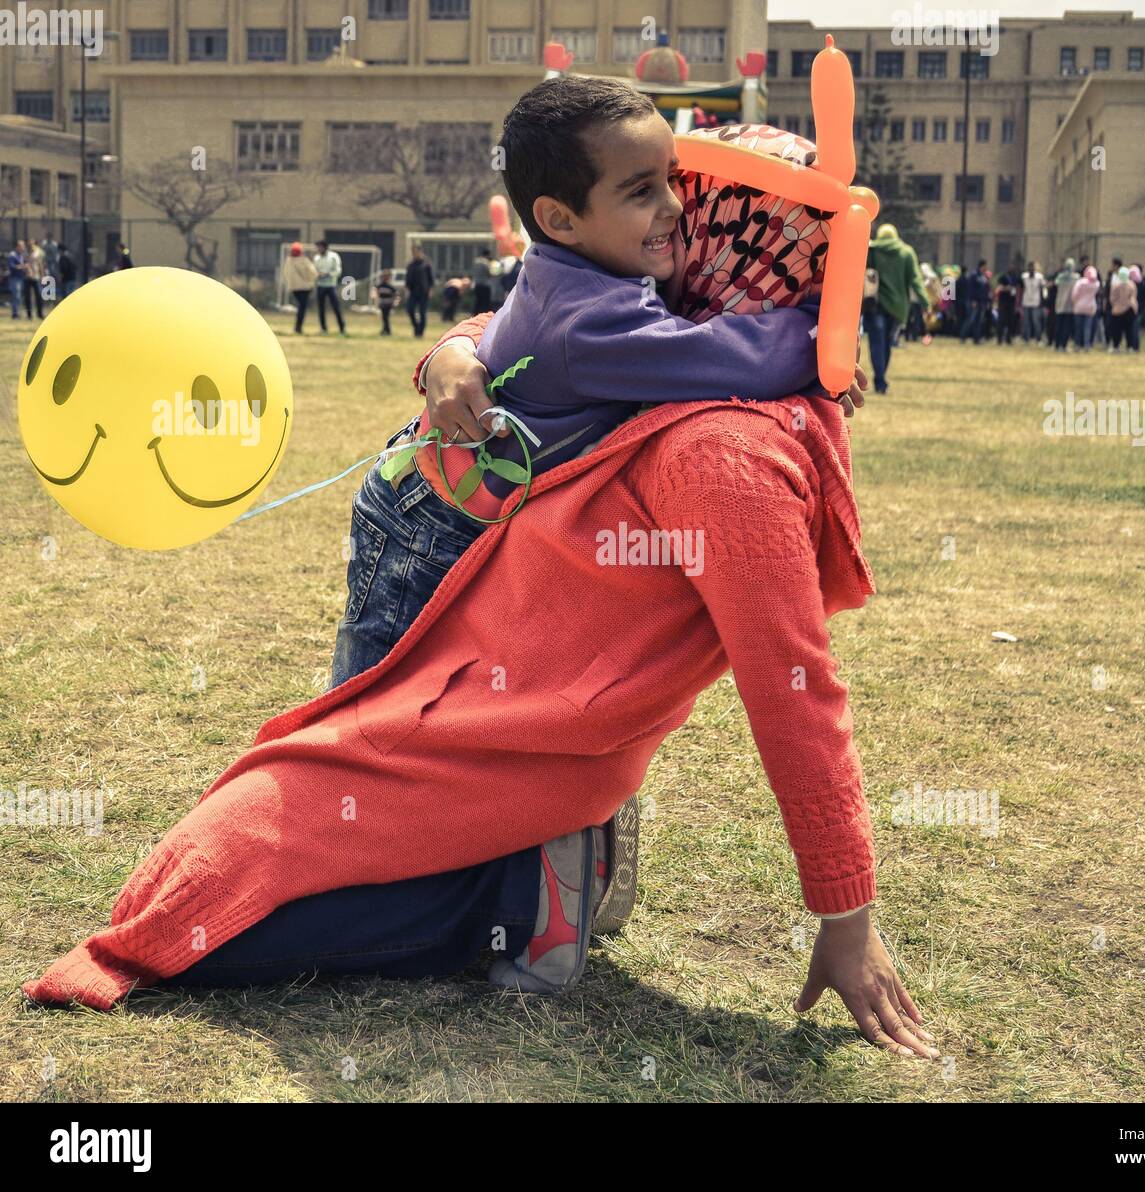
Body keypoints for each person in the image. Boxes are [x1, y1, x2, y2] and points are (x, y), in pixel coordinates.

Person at [20, 84, 937, 1061]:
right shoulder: (648, 330)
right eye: (649, 190)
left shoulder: (701, 411)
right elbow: (727, 350)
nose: (676, 209)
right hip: (426, 532)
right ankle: (505, 870)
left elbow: (791, 681)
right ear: (561, 216)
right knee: (350, 791)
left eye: (684, 189)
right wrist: (821, 339)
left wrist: (846, 910)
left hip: (462, 549)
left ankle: (515, 884)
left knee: (336, 827)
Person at [865, 223, 930, 392]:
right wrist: (925, 303)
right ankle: (881, 379)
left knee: (876, 344)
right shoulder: (906, 253)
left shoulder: (872, 250)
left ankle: (879, 379)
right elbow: (916, 280)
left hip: (875, 305)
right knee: (887, 344)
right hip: (897, 308)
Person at [282, 242, 317, 334]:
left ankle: (298, 326)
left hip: (294, 288)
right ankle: (298, 327)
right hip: (305, 288)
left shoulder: (288, 261)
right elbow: (312, 273)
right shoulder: (305, 261)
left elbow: (286, 274)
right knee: (302, 307)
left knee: (300, 306)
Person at [313, 239, 346, 334]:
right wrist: (317, 275)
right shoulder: (316, 258)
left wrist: (327, 274)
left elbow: (338, 271)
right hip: (320, 286)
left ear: (325, 247)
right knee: (321, 309)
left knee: (336, 308)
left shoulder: (333, 257)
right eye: (317, 247)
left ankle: (342, 328)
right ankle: (323, 329)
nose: (318, 249)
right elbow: (314, 271)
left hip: (331, 286)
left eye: (320, 247)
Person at [403, 246, 434, 337]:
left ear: (420, 252)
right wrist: (407, 289)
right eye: (413, 253)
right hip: (413, 291)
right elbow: (408, 279)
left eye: (416, 252)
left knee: (422, 312)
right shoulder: (410, 265)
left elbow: (430, 279)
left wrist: (430, 290)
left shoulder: (426, 264)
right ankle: (416, 327)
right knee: (410, 309)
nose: (414, 254)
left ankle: (420, 332)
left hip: (423, 292)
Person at [1107, 266, 1138, 352]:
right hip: (1130, 310)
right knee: (1129, 330)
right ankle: (1130, 347)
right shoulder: (1132, 284)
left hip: (1118, 310)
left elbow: (1112, 298)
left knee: (1117, 330)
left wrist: (1116, 305)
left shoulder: (1116, 285)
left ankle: (1116, 346)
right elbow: (1134, 296)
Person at [1070, 265, 1100, 351]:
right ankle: (1087, 345)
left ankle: (1077, 345)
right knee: (1087, 328)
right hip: (1090, 307)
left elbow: (1074, 294)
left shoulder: (1080, 282)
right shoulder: (1096, 284)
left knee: (1078, 328)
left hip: (1079, 307)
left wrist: (1074, 302)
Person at [960, 259, 989, 344]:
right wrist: (973, 300)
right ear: (981, 266)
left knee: (978, 321)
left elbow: (985, 290)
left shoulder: (983, 277)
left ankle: (976, 339)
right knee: (970, 320)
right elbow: (971, 289)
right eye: (985, 266)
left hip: (981, 302)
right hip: (973, 301)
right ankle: (963, 337)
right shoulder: (974, 275)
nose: (986, 268)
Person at [1053, 258, 1078, 351]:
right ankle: (1063, 345)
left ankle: (1057, 345)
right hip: (1070, 305)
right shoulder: (1075, 277)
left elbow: (1055, 285)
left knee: (1059, 326)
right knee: (1066, 327)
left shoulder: (1060, 277)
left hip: (1060, 304)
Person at [1021, 261, 1045, 344]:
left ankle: (1038, 339)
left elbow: (1043, 289)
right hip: (1026, 301)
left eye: (1033, 267)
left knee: (1036, 321)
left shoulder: (1040, 277)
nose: (1031, 269)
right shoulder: (1024, 276)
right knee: (1026, 322)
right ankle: (1026, 339)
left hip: (1036, 302)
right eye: (1030, 267)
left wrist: (1042, 301)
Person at [994, 267, 1018, 344]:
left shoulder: (1015, 277)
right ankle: (999, 339)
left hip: (1011, 302)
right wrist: (1006, 288)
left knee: (1010, 321)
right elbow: (998, 288)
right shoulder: (1003, 277)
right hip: (1003, 302)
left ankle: (1008, 338)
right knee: (1001, 320)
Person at [23, 239, 45, 318]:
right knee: (27, 296)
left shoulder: (37, 253)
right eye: (29, 243)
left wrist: (42, 275)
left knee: (39, 295)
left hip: (36, 277)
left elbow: (40, 264)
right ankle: (29, 315)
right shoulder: (24, 253)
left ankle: (40, 313)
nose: (31, 245)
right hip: (27, 277)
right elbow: (24, 264)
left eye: (32, 243)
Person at [1130, 264, 1145, 352]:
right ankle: (1134, 346)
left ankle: (1135, 347)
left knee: (1134, 328)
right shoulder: (1143, 283)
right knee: (1134, 328)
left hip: (1136, 309)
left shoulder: (1136, 284)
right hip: (1138, 309)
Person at [374, 268, 398, 335]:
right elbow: (376, 292)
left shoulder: (391, 287)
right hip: (382, 304)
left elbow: (395, 295)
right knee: (384, 318)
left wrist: (394, 303)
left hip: (388, 304)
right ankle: (385, 330)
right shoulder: (380, 286)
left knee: (386, 318)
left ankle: (387, 330)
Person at [471, 249, 493, 314]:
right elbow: (489, 273)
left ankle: (475, 314)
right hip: (485, 284)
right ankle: (484, 314)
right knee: (485, 302)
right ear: (488, 255)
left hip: (477, 284)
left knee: (478, 301)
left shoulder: (476, 262)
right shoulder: (486, 263)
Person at [7, 241, 25, 318]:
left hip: (21, 278)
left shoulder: (22, 255)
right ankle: (15, 314)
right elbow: (12, 267)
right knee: (16, 296)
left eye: (23, 246)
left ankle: (17, 313)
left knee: (19, 296)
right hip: (14, 279)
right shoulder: (12, 255)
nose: (23, 248)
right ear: (17, 247)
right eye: (21, 246)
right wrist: (22, 266)